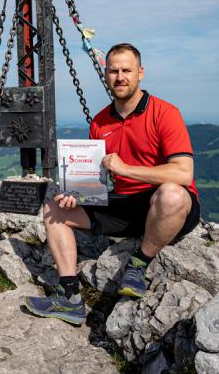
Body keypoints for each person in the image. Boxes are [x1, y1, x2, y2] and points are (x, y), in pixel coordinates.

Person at [24, 43, 199, 325]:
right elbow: (94, 182)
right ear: (106, 75)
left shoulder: (165, 113)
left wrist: (126, 169)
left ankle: (139, 264)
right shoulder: (100, 121)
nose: (120, 77)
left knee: (171, 194)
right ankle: (69, 297)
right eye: (113, 71)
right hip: (124, 204)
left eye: (126, 70)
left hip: (165, 206)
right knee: (53, 209)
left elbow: (183, 174)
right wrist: (76, 196)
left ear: (140, 73)